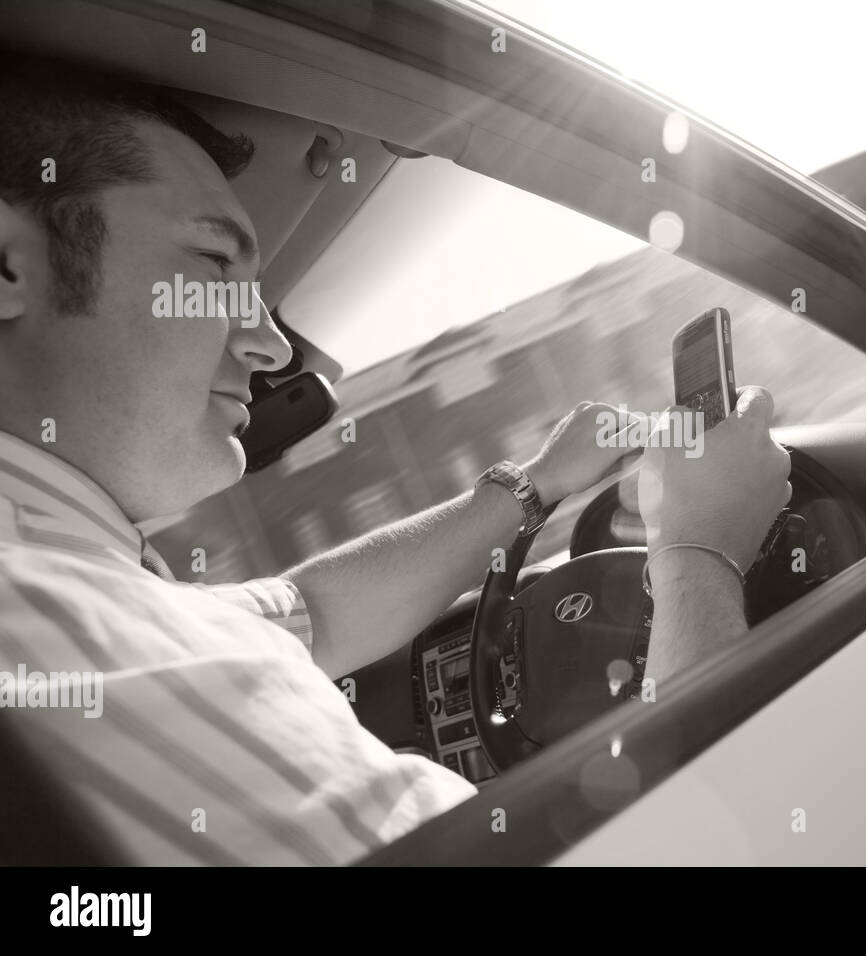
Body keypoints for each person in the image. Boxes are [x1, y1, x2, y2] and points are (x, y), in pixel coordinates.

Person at [0, 58, 791, 864]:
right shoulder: (83, 639)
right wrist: (701, 551)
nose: (270, 344)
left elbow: (308, 614)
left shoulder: (70, 579)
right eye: (212, 264)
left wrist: (537, 483)